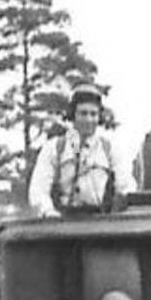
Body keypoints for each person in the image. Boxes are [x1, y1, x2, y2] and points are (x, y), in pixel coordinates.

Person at [27, 81, 135, 217]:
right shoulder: (54, 148)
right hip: (62, 224)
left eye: (93, 114)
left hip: (102, 223)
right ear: (73, 115)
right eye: (83, 113)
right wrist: (48, 212)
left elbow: (126, 186)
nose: (89, 120)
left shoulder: (111, 149)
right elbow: (39, 189)